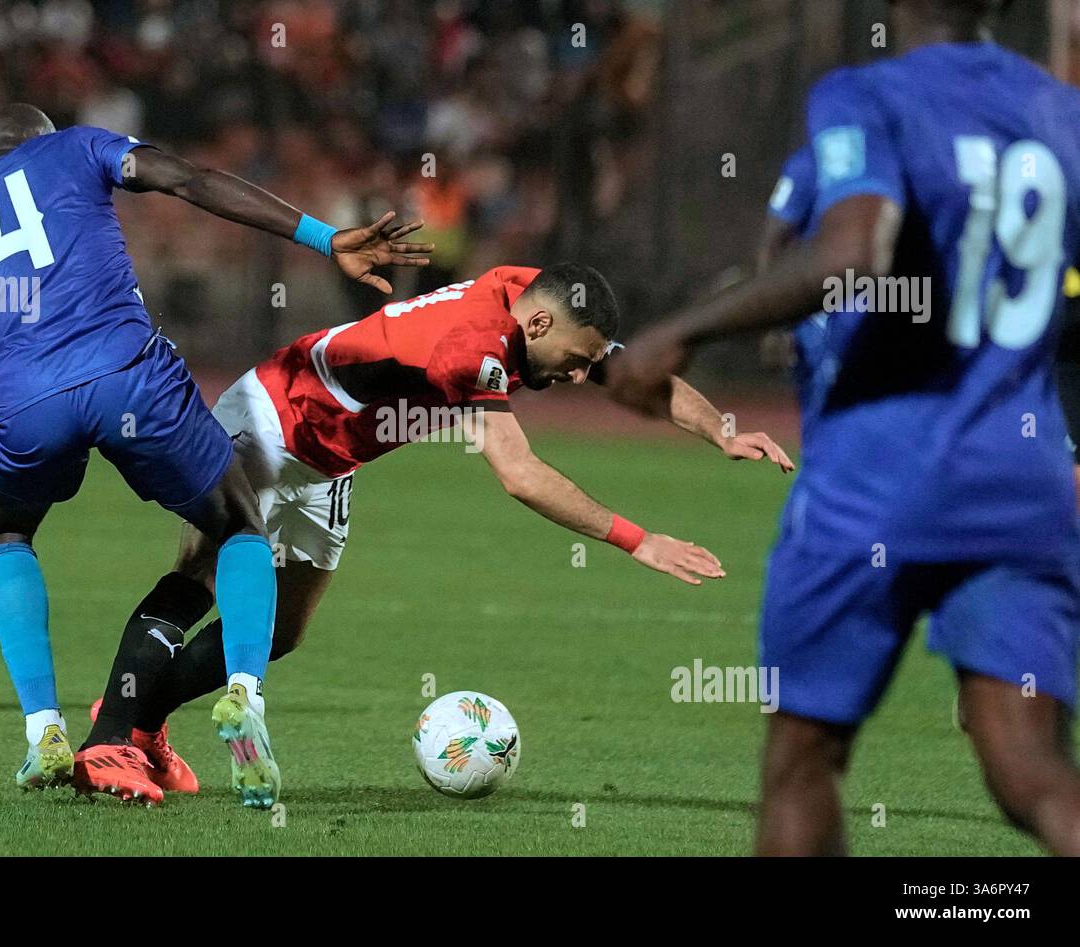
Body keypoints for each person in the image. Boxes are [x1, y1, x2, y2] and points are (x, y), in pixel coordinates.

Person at [607, 0, 1080, 855]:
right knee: (1032, 768)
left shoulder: (867, 95)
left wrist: (680, 332)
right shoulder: (1062, 111)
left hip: (879, 473)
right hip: (1021, 480)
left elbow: (849, 251)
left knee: (802, 759)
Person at [0, 103, 431, 807]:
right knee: (236, 524)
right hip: (130, 380)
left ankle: (44, 728)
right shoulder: (80, 148)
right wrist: (325, 237)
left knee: (9, 534)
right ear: (44, 143)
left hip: (25, 409)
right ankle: (244, 694)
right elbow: (192, 180)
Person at [113, 263, 792, 751]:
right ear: (542, 322)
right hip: (271, 410)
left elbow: (635, 371)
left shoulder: (537, 297)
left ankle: (146, 724)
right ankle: (113, 729)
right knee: (204, 568)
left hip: (334, 452)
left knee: (284, 630)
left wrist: (722, 431)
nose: (581, 377)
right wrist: (638, 539)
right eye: (578, 361)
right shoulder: (476, 346)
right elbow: (520, 474)